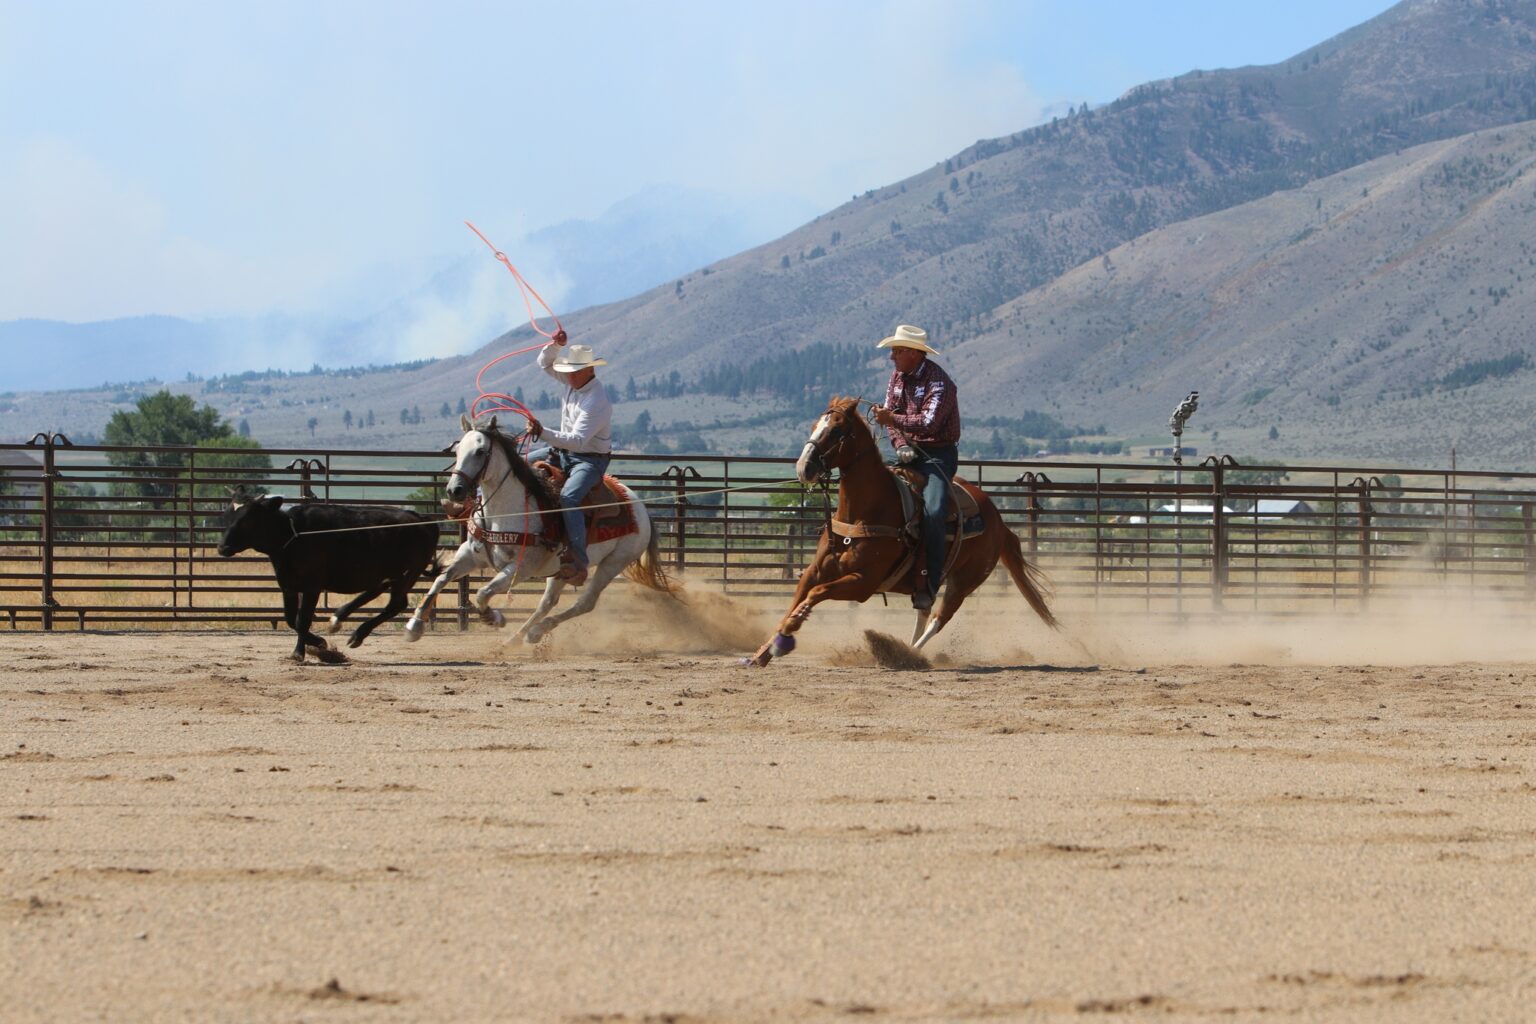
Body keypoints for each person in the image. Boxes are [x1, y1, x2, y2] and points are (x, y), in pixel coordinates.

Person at [870, 324, 960, 611]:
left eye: (897, 351)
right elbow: (890, 417)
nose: (892, 356)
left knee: (933, 511)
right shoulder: (897, 376)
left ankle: (929, 582)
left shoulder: (939, 383)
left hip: (937, 456)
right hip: (909, 452)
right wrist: (899, 445)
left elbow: (929, 423)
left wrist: (893, 423)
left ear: (913, 353)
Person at [525, 329, 613, 585]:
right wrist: (555, 345)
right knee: (519, 466)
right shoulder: (574, 382)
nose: (569, 375)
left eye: (575, 371)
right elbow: (545, 363)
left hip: (589, 459)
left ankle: (578, 559)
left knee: (569, 497)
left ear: (589, 370)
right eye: (569, 371)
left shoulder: (597, 400)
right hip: (564, 452)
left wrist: (542, 432)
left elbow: (577, 441)